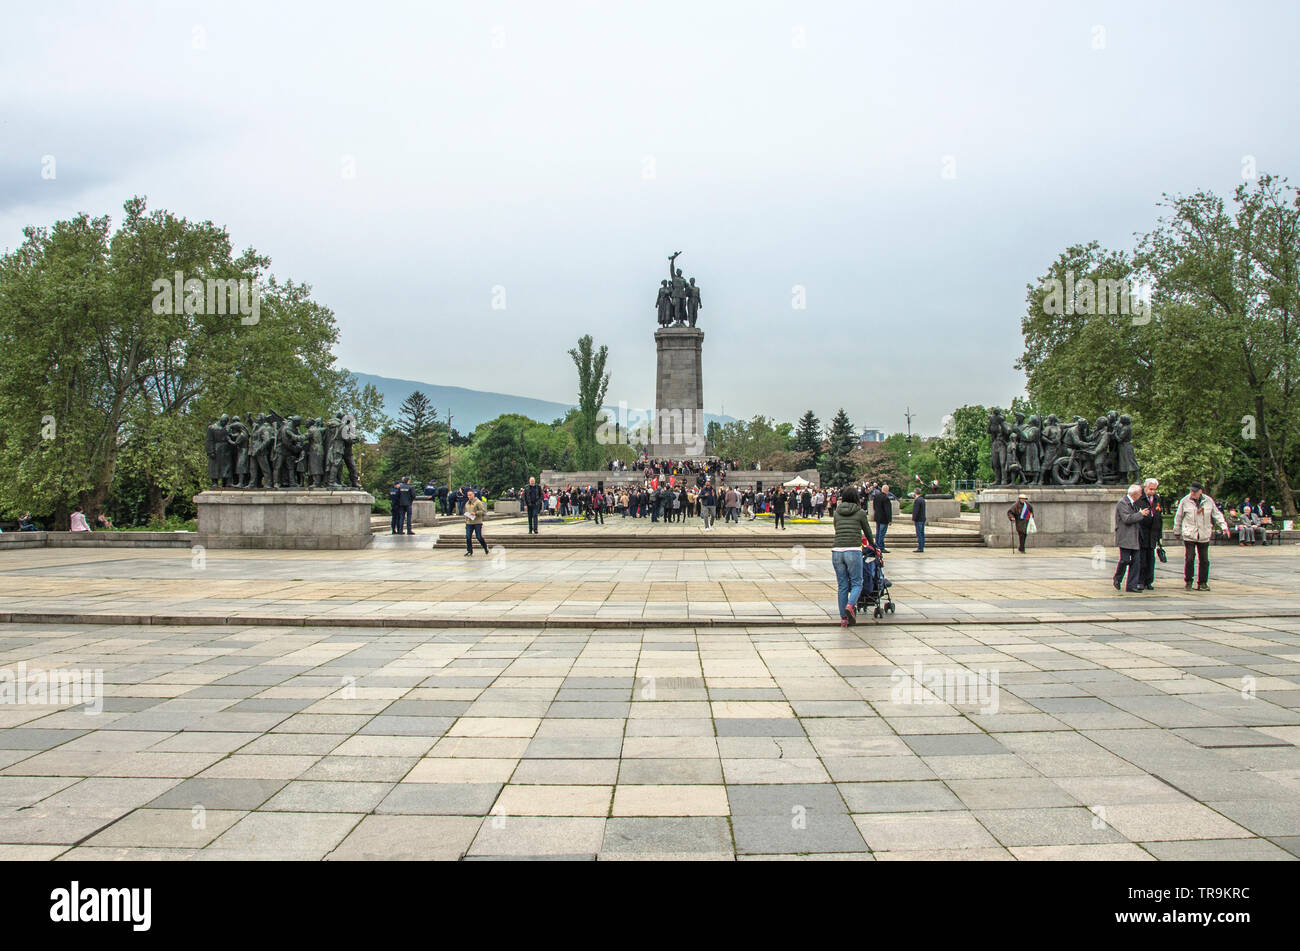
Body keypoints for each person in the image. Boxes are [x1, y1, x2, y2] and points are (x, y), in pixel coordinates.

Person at [1173, 481, 1229, 590]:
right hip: (1190, 533)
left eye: (1195, 491)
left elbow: (1216, 514)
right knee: (1189, 558)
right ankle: (1188, 580)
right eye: (1191, 491)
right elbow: (1178, 516)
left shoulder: (1208, 501)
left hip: (1204, 533)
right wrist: (1177, 531)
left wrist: (1224, 526)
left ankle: (1202, 582)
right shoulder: (1185, 500)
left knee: (1204, 560)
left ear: (1200, 491)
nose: (1192, 493)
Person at [831, 486, 874, 626]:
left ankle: (844, 619)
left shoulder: (837, 512)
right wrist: (873, 544)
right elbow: (867, 531)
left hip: (837, 551)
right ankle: (850, 605)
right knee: (857, 582)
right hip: (853, 550)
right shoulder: (860, 513)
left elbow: (836, 528)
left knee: (842, 585)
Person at [1113, 484, 1147, 592]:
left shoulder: (1134, 504)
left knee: (1136, 562)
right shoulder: (1122, 503)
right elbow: (1127, 519)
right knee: (1125, 560)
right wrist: (1140, 514)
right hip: (1125, 537)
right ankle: (1117, 578)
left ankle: (1131, 585)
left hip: (1135, 537)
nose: (1141, 495)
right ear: (1135, 494)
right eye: (1140, 493)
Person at [1137, 477, 1164, 590]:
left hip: (1153, 532)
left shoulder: (1157, 498)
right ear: (1145, 487)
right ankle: (1140, 581)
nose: (1152, 491)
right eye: (1151, 489)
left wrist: (1159, 535)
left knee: (1151, 559)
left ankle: (1149, 581)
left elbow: (1159, 516)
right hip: (1143, 531)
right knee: (1142, 559)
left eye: (1154, 489)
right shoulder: (1139, 498)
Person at [463, 490, 489, 555]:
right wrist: (466, 518)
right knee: (468, 537)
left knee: (478, 537)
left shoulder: (478, 502)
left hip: (477, 522)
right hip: (469, 522)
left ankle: (485, 547)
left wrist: (475, 513)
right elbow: (466, 511)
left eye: (470, 495)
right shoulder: (467, 503)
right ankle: (469, 551)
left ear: (473, 495)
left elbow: (483, 511)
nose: (469, 496)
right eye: (468, 495)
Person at [872, 483, 893, 551]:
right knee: (882, 533)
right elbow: (888, 510)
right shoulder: (886, 498)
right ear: (887, 490)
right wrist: (889, 520)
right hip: (884, 519)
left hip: (878, 517)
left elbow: (874, 507)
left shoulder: (876, 496)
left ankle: (877, 545)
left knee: (878, 532)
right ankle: (881, 547)